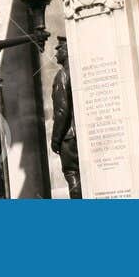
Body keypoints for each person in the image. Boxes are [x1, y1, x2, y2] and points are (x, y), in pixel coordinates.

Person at [50, 37, 81, 198]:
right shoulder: (80, 72)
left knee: (72, 175)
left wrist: (55, 140)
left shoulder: (62, 75)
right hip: (82, 135)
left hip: (69, 137)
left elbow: (61, 111)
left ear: (67, 50)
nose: (56, 55)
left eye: (59, 49)